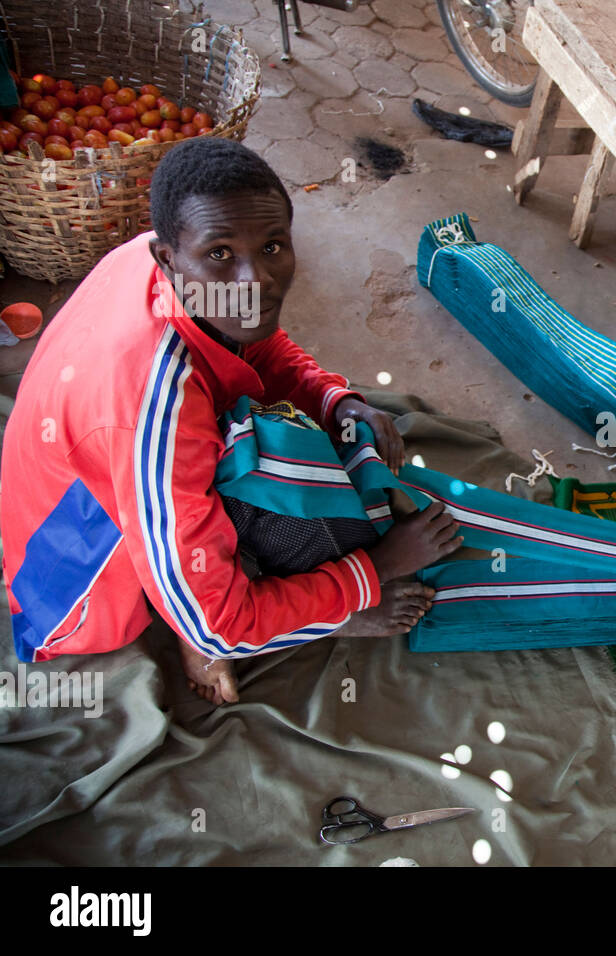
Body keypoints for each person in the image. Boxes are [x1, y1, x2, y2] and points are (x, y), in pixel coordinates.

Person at [1, 138, 462, 705]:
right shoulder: (156, 412)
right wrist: (370, 572)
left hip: (104, 477)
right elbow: (215, 623)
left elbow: (258, 341)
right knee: (277, 471)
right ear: (168, 259)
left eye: (273, 247)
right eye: (222, 254)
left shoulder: (169, 257)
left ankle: (212, 584)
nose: (256, 281)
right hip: (73, 585)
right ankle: (290, 613)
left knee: (291, 433)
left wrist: (334, 400)